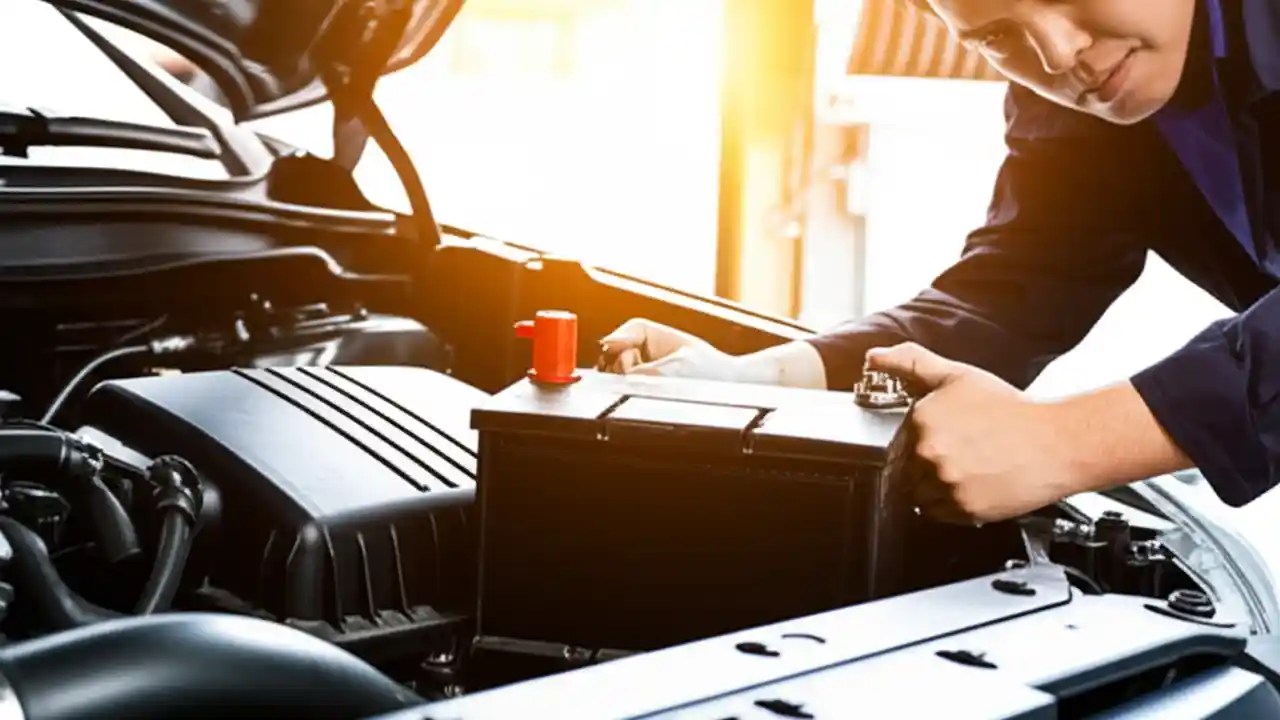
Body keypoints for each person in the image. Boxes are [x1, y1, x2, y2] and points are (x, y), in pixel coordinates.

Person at [597, 0, 1280, 526]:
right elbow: (1017, 285)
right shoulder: (1077, 88)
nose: (1058, 53)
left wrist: (1066, 444)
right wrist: (764, 379)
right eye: (996, 35)